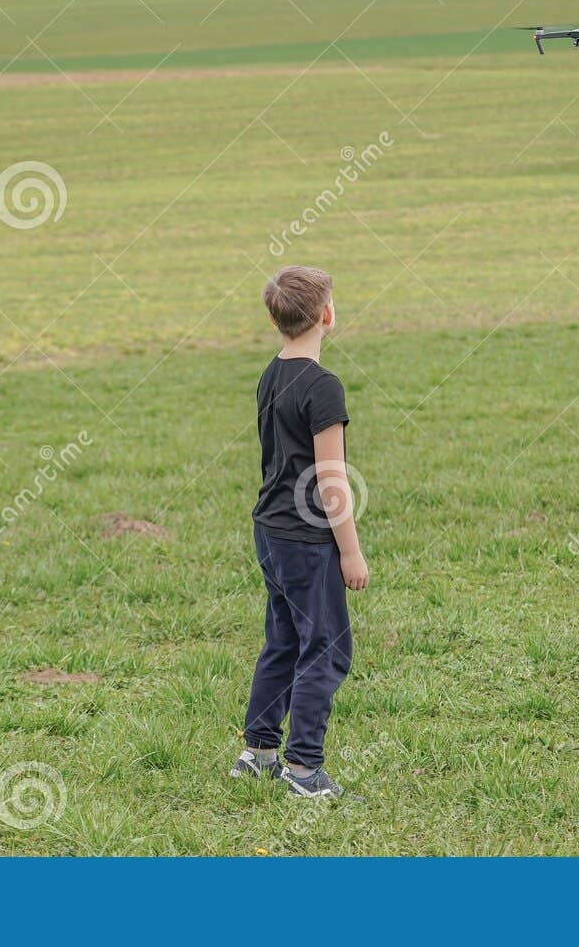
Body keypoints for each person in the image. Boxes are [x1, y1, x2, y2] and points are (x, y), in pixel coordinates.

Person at [231, 265, 369, 798]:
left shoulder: (271, 373)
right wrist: (350, 553)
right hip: (306, 539)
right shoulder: (323, 387)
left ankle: (259, 750)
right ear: (328, 315)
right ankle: (305, 769)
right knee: (327, 648)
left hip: (269, 530)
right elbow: (332, 481)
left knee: (283, 639)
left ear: (274, 319)